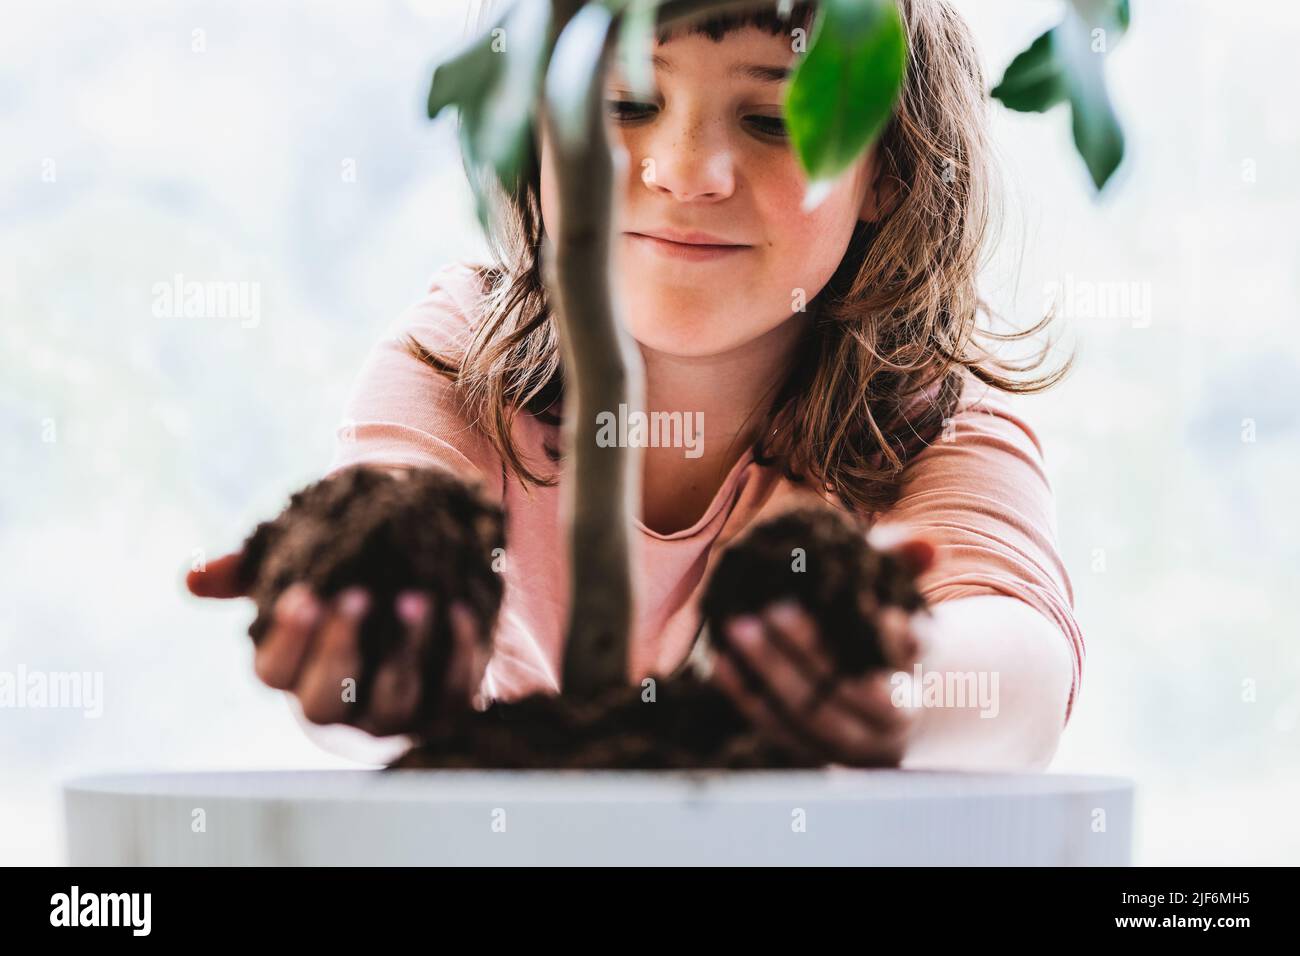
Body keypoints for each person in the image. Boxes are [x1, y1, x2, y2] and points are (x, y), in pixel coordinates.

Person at [188, 1, 1082, 770]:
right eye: (626, 102)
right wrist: (367, 627)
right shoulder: (460, 363)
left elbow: (1021, 677)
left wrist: (896, 676)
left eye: (772, 120)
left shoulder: (930, 420)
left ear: (886, 167)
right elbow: (386, 536)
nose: (686, 170)